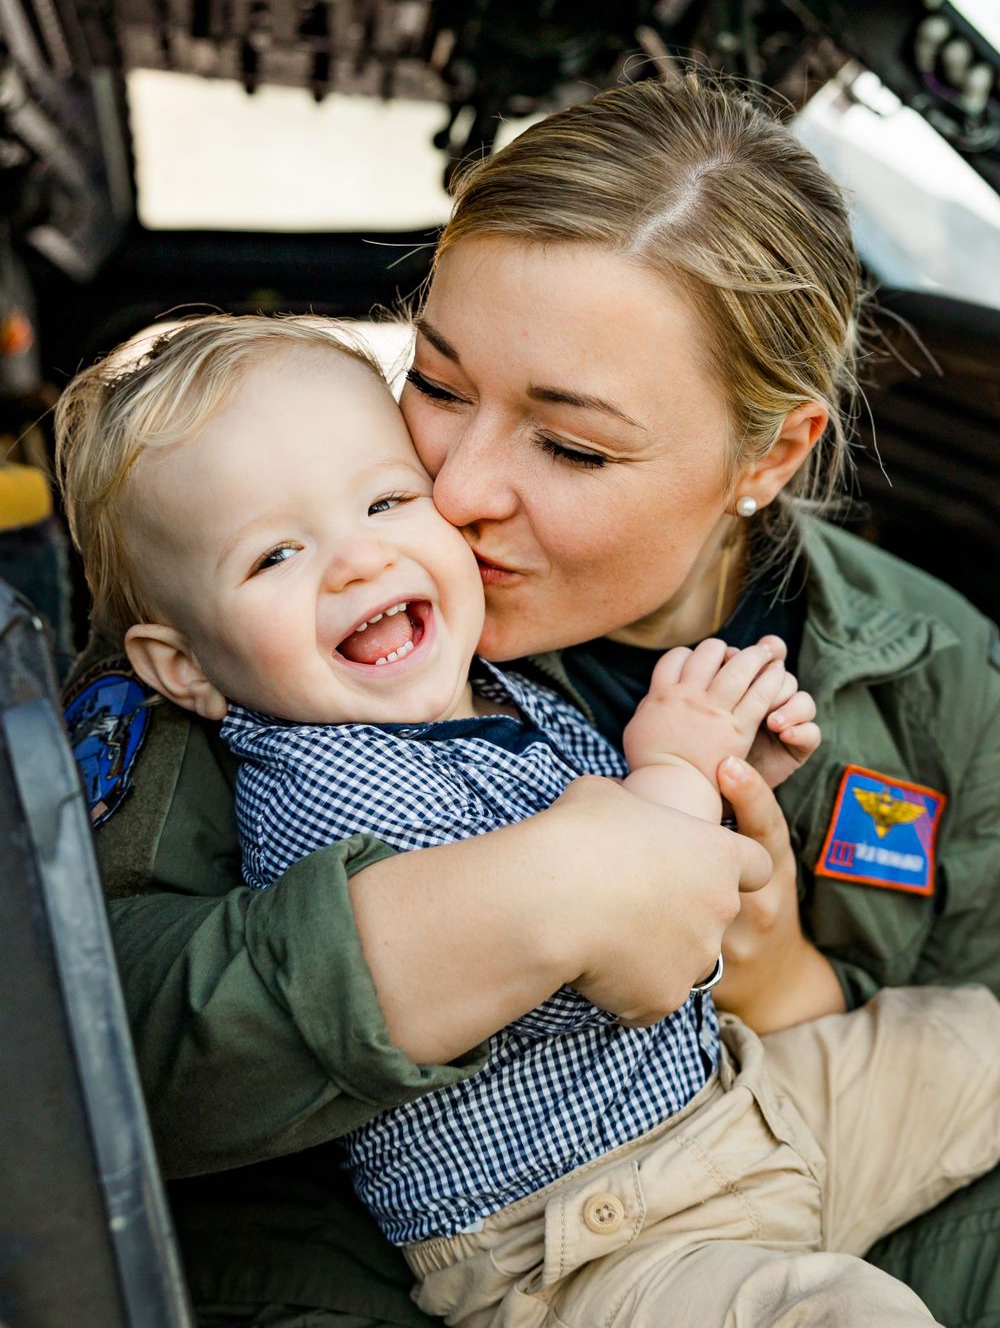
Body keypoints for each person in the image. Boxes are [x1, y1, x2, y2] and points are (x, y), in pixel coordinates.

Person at [60, 73, 1000, 1328]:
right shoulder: (266, 636)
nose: (450, 493)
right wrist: (513, 906)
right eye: (438, 384)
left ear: (767, 457)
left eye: (569, 445)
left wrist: (780, 981)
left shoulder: (941, 672)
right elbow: (86, 1044)